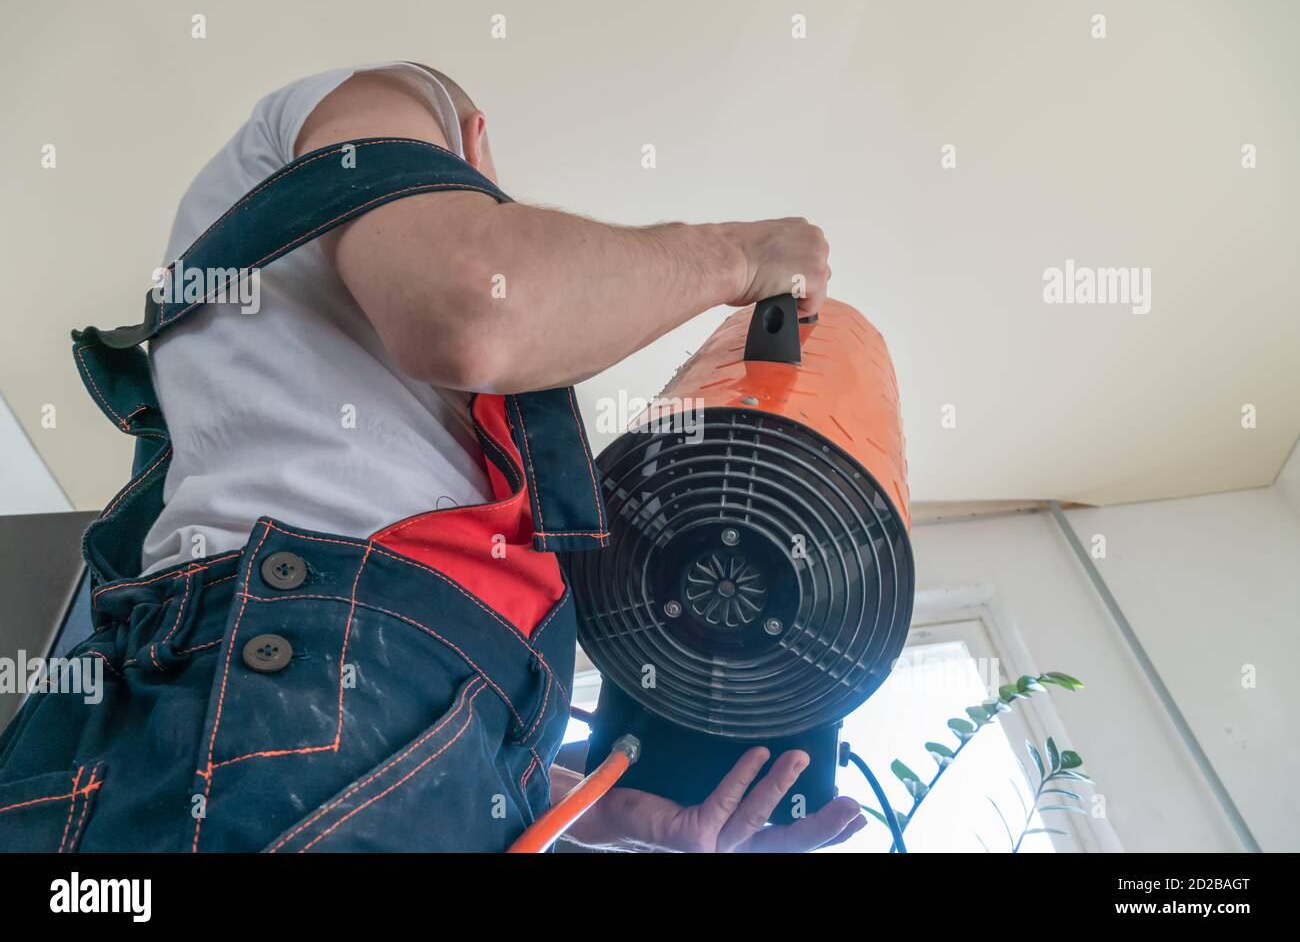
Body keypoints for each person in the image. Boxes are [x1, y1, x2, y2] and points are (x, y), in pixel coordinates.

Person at [0, 61, 864, 852]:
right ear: (470, 143)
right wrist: (741, 255)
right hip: (304, 679)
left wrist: (612, 815)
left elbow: (399, 743)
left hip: (352, 722)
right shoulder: (384, 95)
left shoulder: (422, 447)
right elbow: (475, 309)